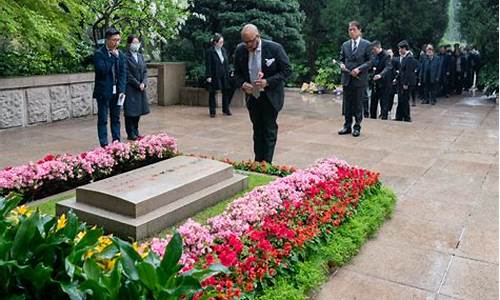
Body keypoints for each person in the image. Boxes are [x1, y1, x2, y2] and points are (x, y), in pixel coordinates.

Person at [233, 24, 292, 163]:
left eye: (250, 41)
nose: (248, 45)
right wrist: (242, 84)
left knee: (269, 129)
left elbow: (287, 70)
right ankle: (258, 161)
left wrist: (268, 81)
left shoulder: (274, 48)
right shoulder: (240, 50)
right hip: (252, 97)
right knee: (257, 129)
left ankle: (267, 163)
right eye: (245, 42)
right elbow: (236, 74)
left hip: (270, 96)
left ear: (258, 36)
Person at [337, 21, 372, 137]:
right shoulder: (345, 44)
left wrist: (359, 69)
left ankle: (357, 126)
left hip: (359, 78)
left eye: (354, 29)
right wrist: (341, 65)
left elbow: (370, 61)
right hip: (347, 78)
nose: (351, 32)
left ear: (359, 30)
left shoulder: (366, 44)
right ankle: (347, 125)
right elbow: (341, 59)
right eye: (350, 30)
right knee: (347, 104)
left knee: (358, 103)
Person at [93, 27, 126, 147]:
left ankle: (116, 141)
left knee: (116, 118)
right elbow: (102, 70)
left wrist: (122, 90)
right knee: (103, 119)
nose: (116, 43)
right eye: (114, 40)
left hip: (117, 91)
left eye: (118, 40)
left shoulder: (120, 54)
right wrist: (112, 58)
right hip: (103, 92)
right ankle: (104, 144)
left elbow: (123, 73)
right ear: (107, 40)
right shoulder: (99, 54)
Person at [124, 35, 150, 140]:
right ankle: (130, 132)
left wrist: (143, 82)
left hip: (141, 88)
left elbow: (144, 71)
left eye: (137, 42)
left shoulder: (140, 56)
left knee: (138, 111)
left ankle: (136, 130)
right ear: (129, 44)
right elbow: (127, 73)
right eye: (134, 42)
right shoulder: (125, 57)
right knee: (131, 112)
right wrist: (137, 84)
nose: (136, 44)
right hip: (131, 88)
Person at [205, 33, 232, 117]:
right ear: (215, 42)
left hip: (224, 74)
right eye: (220, 42)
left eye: (222, 42)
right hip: (214, 74)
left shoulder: (223, 50)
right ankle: (212, 111)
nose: (222, 43)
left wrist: (229, 72)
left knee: (226, 91)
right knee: (212, 92)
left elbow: (225, 63)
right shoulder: (210, 51)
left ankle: (226, 109)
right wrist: (208, 76)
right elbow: (208, 64)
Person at [369, 40, 392, 119]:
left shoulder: (386, 55)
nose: (373, 51)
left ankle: (384, 118)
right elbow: (371, 65)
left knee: (384, 102)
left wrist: (380, 75)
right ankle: (372, 117)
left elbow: (388, 67)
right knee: (373, 102)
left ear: (378, 47)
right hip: (375, 83)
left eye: (374, 49)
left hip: (384, 83)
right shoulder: (374, 55)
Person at [395, 40, 417, 122]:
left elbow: (408, 72)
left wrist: (405, 83)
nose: (399, 50)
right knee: (401, 100)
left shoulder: (409, 58)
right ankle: (399, 116)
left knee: (404, 100)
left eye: (400, 49)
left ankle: (406, 117)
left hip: (406, 83)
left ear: (404, 48)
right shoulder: (405, 57)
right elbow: (401, 71)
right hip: (401, 82)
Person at [386, 48, 400, 118]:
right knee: (386, 96)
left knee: (391, 96)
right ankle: (385, 110)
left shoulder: (396, 61)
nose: (389, 54)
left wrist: (396, 79)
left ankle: (389, 110)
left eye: (390, 52)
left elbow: (398, 71)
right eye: (388, 52)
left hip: (393, 80)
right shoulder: (385, 60)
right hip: (386, 81)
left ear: (392, 53)